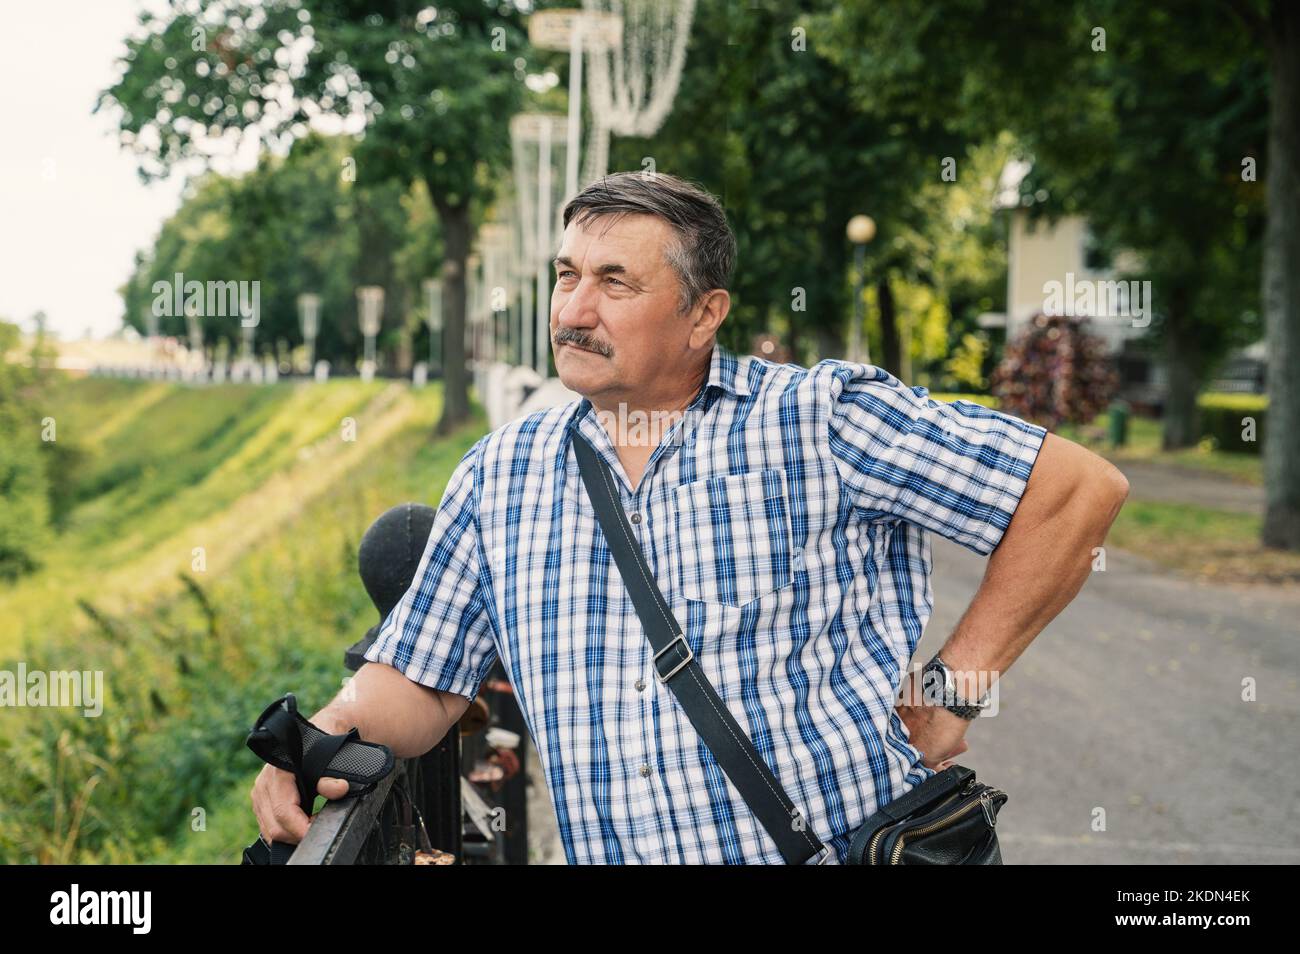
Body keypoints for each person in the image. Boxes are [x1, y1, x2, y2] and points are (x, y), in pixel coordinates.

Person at [251, 171, 1129, 864]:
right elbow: (425, 681)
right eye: (566, 275)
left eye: (614, 282)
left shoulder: (819, 420)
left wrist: (954, 689)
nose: (572, 310)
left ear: (705, 314)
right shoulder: (500, 475)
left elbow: (1074, 492)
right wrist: (323, 732)